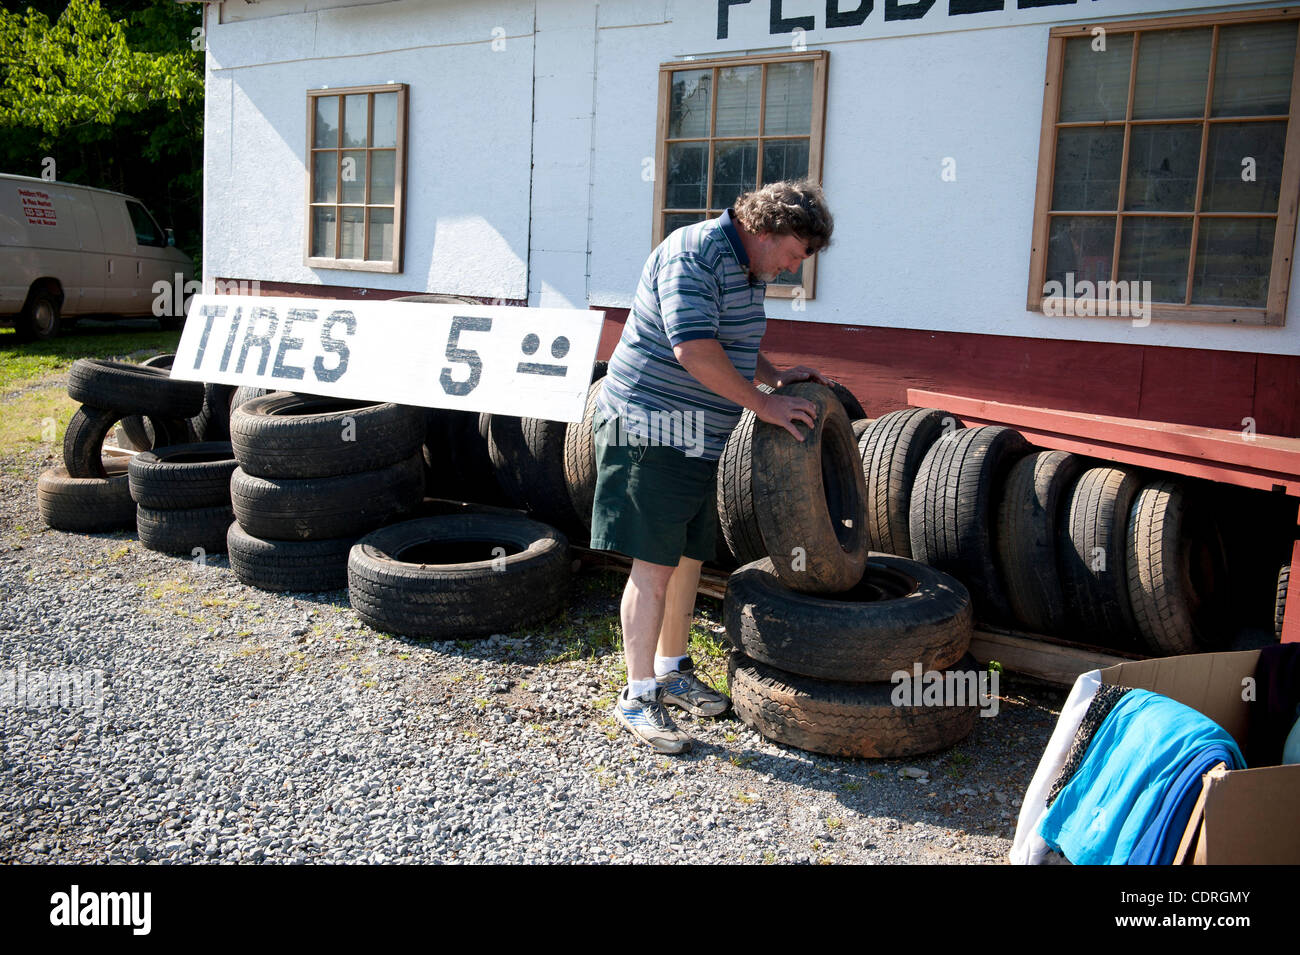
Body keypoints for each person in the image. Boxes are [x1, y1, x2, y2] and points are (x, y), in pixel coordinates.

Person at [590, 179, 835, 754]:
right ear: (765, 230)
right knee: (652, 568)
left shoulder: (747, 267)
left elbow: (727, 342)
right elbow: (694, 350)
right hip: (649, 429)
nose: (794, 268)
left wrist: (773, 377)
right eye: (794, 254)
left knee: (687, 557)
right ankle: (638, 696)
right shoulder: (694, 254)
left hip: (699, 434)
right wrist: (766, 404)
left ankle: (671, 671)